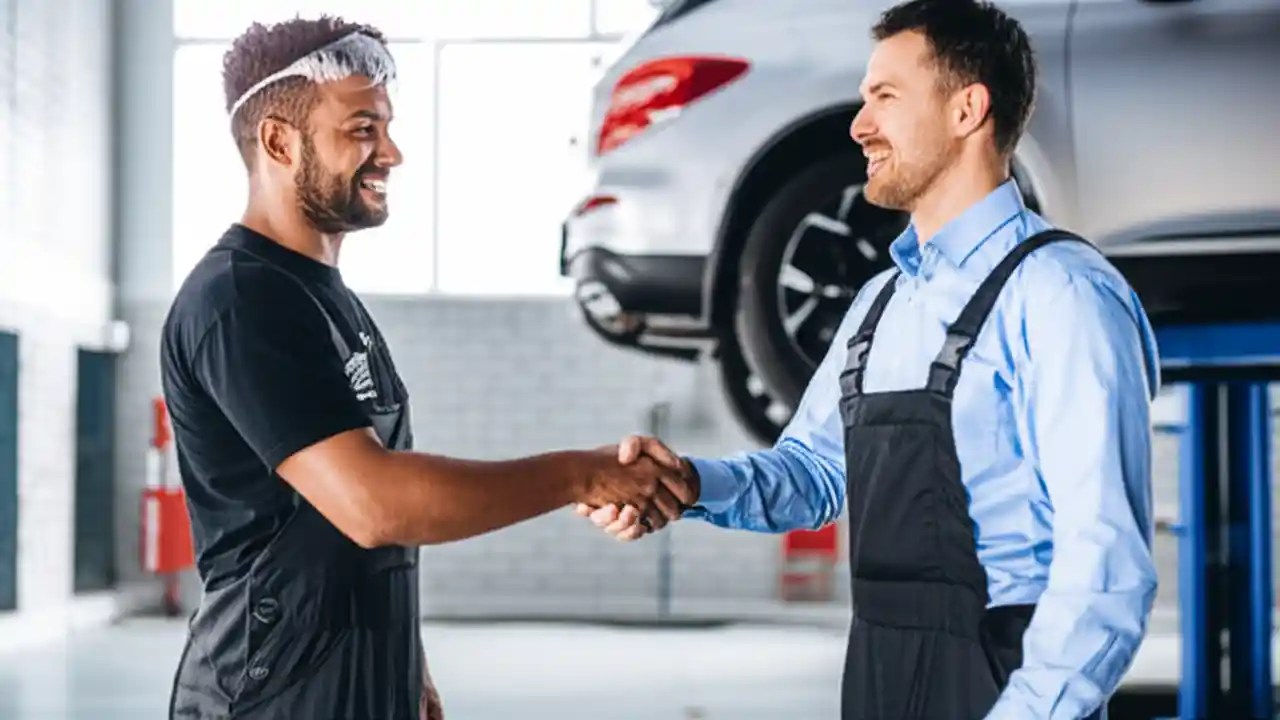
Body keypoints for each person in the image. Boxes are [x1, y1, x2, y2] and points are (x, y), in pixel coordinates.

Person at [579, 1, 1160, 718]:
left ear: (967, 110)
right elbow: (813, 475)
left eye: (885, 97)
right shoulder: (881, 303)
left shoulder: (1061, 293)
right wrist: (688, 483)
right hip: (880, 675)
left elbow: (1106, 570)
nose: (858, 125)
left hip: (1007, 685)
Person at [160, 16, 698, 720]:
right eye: (363, 129)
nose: (391, 153)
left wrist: (404, 664)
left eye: (386, 128)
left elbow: (339, 531)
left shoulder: (323, 298)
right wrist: (581, 474)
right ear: (279, 142)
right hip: (267, 700)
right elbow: (374, 504)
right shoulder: (241, 299)